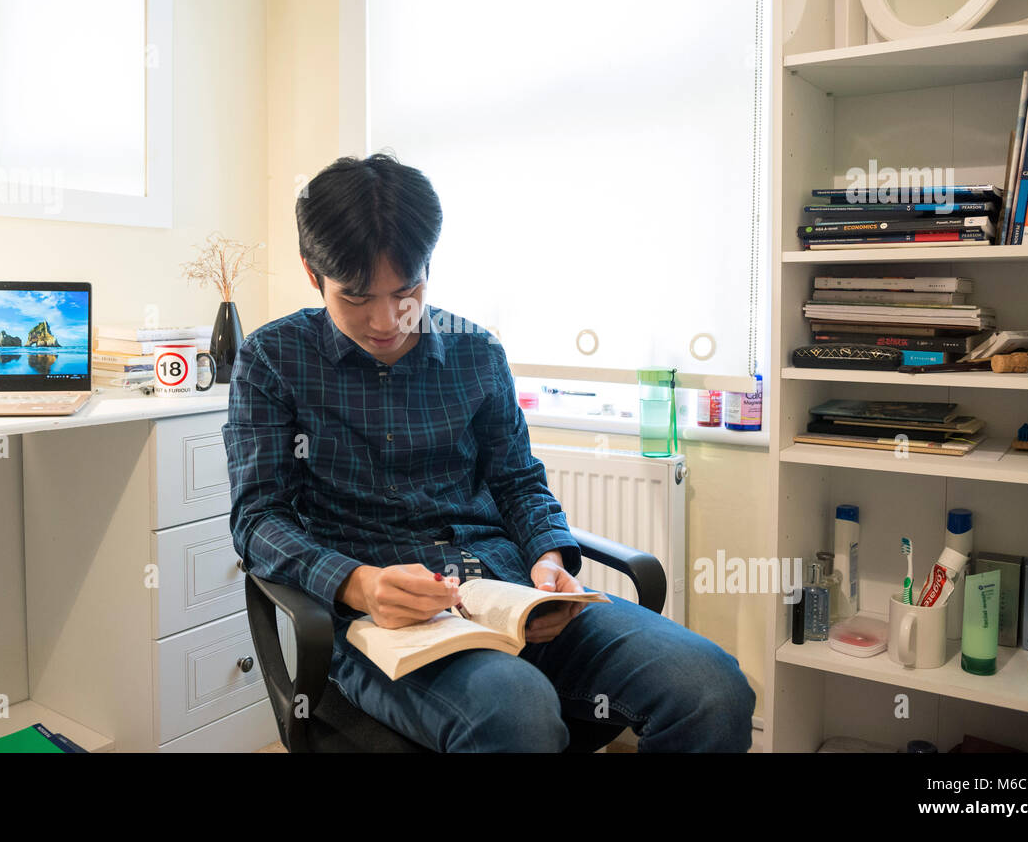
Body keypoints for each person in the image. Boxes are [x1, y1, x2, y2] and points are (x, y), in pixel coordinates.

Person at [223, 152, 754, 752]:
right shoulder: (273, 360)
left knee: (712, 688)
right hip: (382, 621)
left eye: (407, 290)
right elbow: (258, 518)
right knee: (515, 712)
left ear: (429, 265)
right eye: (356, 298)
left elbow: (518, 482)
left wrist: (549, 556)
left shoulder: (476, 351)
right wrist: (358, 583)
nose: (385, 320)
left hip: (507, 593)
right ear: (311, 273)